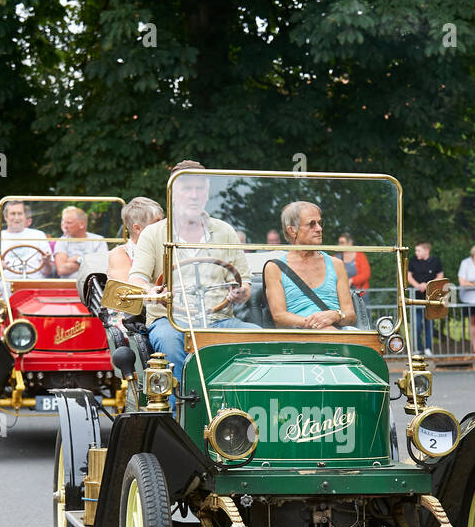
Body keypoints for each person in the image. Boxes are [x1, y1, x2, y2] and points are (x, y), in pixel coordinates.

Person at [128, 162, 255, 391]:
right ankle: (180, 418)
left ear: (208, 192)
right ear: (173, 193)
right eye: (187, 189)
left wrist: (241, 292)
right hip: (171, 320)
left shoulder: (224, 231)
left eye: (200, 188)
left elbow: (245, 282)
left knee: (257, 337)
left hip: (219, 320)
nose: (194, 195)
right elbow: (137, 278)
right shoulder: (154, 233)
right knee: (170, 342)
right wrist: (150, 291)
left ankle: (246, 411)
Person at [264, 202, 355, 330]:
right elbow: (279, 317)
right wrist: (320, 324)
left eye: (320, 223)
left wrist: (335, 315)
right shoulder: (275, 268)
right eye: (311, 224)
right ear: (292, 230)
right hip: (300, 337)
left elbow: (350, 315)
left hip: (339, 332)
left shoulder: (336, 264)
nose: (319, 229)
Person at [0, 201, 51, 284]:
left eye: (20, 213)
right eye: (13, 214)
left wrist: (46, 262)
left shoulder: (39, 235)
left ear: (25, 216)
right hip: (7, 286)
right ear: (5, 217)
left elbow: (47, 272)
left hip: (35, 286)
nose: (16, 217)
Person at [107, 197, 164, 281]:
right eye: (157, 222)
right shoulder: (119, 254)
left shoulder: (166, 246)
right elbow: (129, 289)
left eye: (162, 221)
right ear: (137, 228)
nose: (163, 226)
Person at [407, 240, 444, 356]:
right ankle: (419, 348)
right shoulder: (413, 261)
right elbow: (408, 276)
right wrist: (418, 286)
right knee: (417, 325)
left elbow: (440, 276)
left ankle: (428, 348)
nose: (416, 253)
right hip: (416, 299)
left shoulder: (435, 261)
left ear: (427, 250)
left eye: (419, 250)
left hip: (430, 299)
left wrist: (428, 285)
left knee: (429, 325)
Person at [53, 207, 109, 277]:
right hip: (67, 286)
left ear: (82, 224)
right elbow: (61, 270)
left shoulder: (99, 240)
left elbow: (101, 266)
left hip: (92, 286)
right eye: (63, 222)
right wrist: (90, 262)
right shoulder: (62, 241)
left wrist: (76, 259)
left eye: (69, 223)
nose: (65, 226)